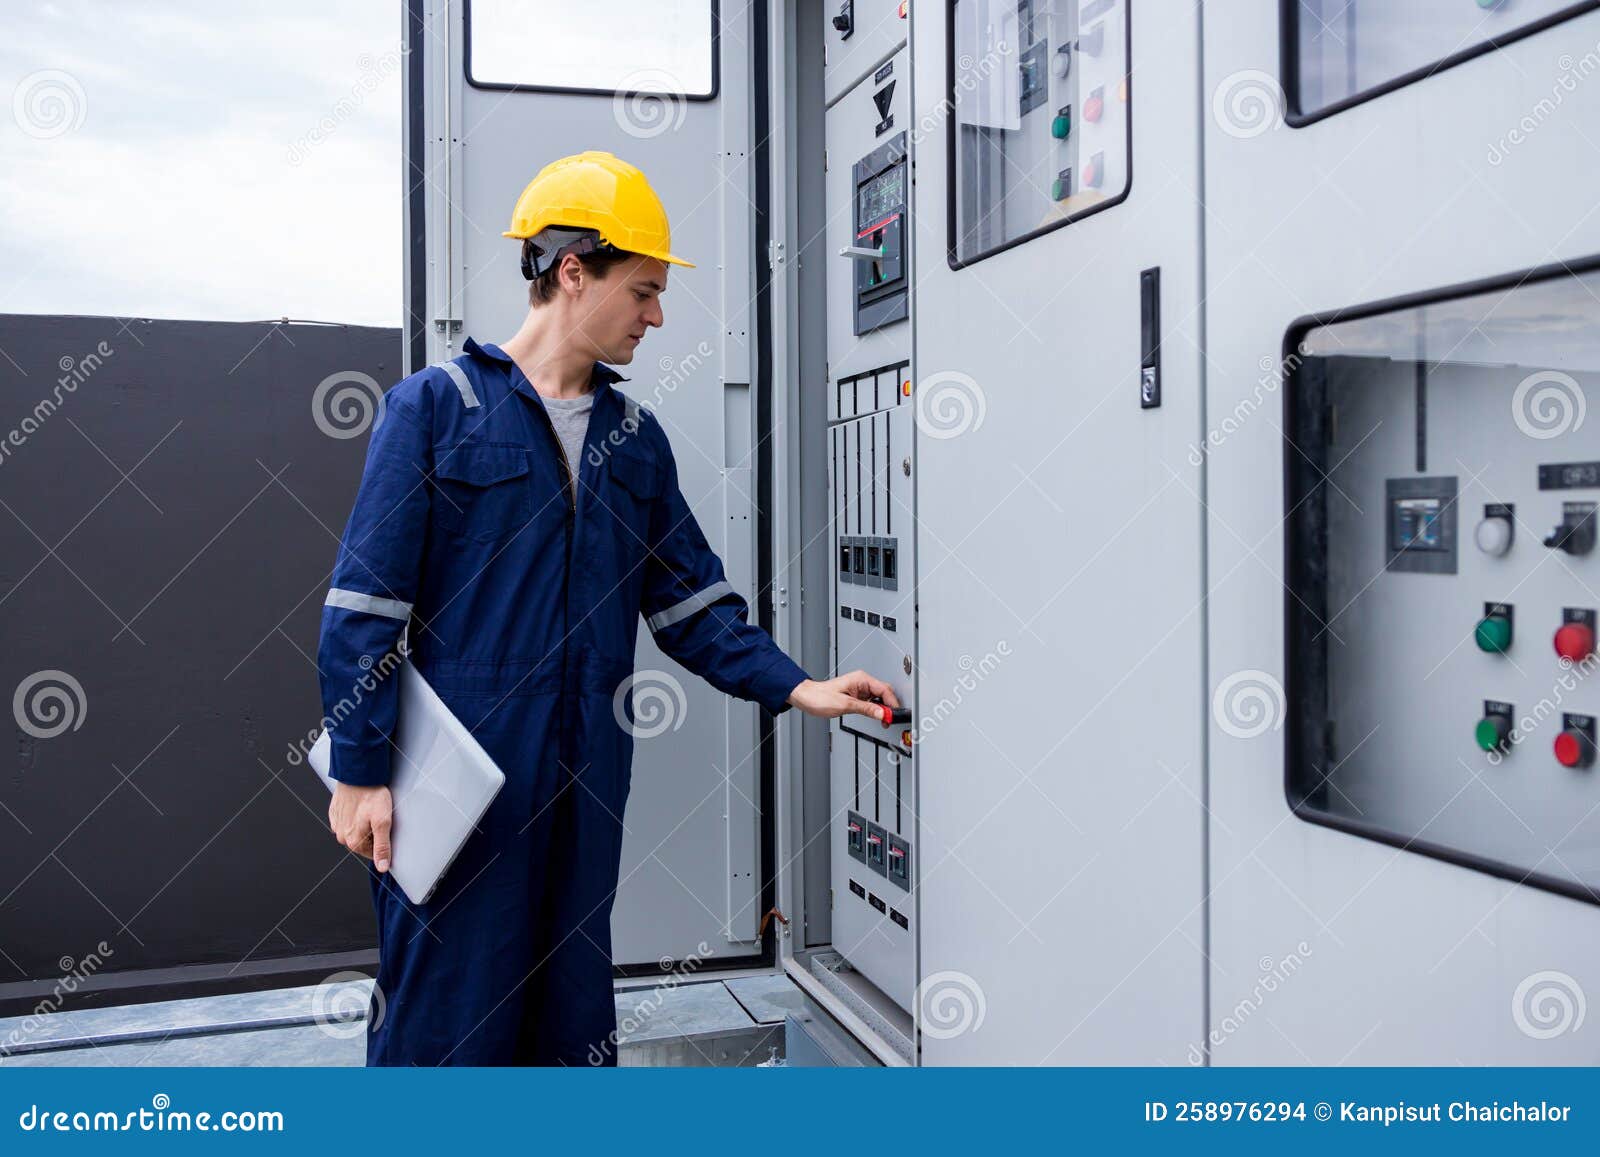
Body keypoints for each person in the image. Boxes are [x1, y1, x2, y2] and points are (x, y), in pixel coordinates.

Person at [316, 150, 900, 1065]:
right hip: (457, 790)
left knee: (573, 1020)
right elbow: (363, 607)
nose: (657, 317)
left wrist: (799, 687)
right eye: (644, 291)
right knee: (445, 1026)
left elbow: (694, 604)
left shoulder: (633, 438)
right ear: (572, 271)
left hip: (585, 784)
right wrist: (358, 771)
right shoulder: (435, 408)